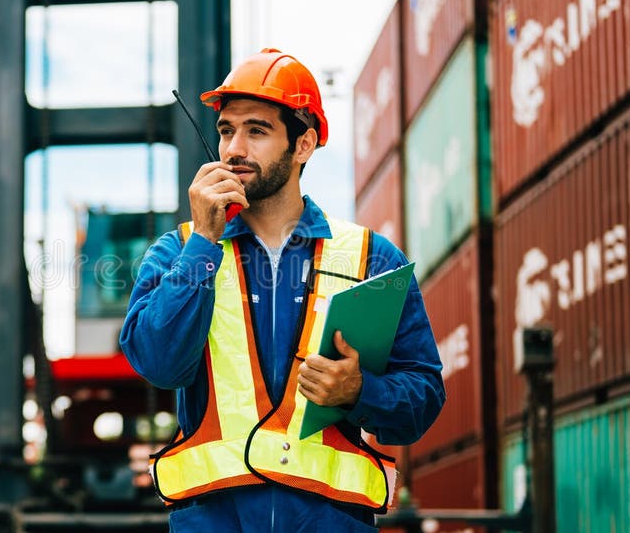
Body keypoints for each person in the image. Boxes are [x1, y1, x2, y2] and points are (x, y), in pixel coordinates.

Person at [119, 48, 445, 533]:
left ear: (304, 144)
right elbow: (160, 365)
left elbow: (422, 398)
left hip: (331, 522)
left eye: (257, 130)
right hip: (214, 522)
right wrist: (205, 244)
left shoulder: (371, 259)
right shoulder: (180, 250)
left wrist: (360, 390)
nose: (233, 149)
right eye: (227, 130)